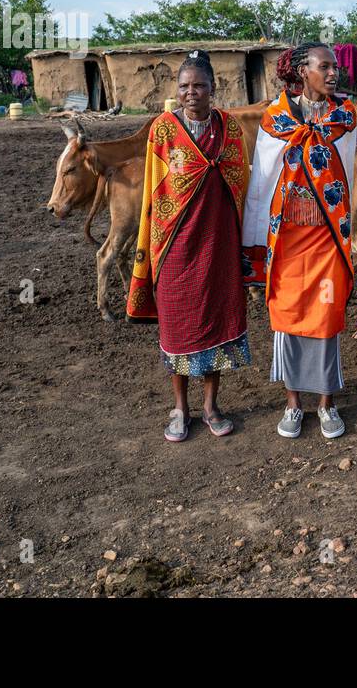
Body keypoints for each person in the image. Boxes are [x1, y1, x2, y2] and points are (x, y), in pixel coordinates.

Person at [127, 50, 252, 442]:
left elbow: (239, 183)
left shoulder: (230, 129)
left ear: (213, 89)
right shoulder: (162, 130)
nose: (191, 93)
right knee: (178, 325)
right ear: (176, 91)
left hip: (218, 242)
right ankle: (180, 407)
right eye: (183, 87)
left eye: (199, 86)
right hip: (175, 245)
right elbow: (155, 188)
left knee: (216, 319)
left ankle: (212, 405)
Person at [241, 42, 357, 440]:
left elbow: (347, 178)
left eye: (334, 67)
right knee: (288, 317)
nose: (333, 73)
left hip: (326, 236)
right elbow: (262, 181)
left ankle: (326, 403)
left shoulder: (344, 117)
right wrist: (255, 242)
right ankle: (293, 404)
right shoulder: (276, 119)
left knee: (325, 319)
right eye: (324, 67)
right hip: (287, 238)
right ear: (301, 71)